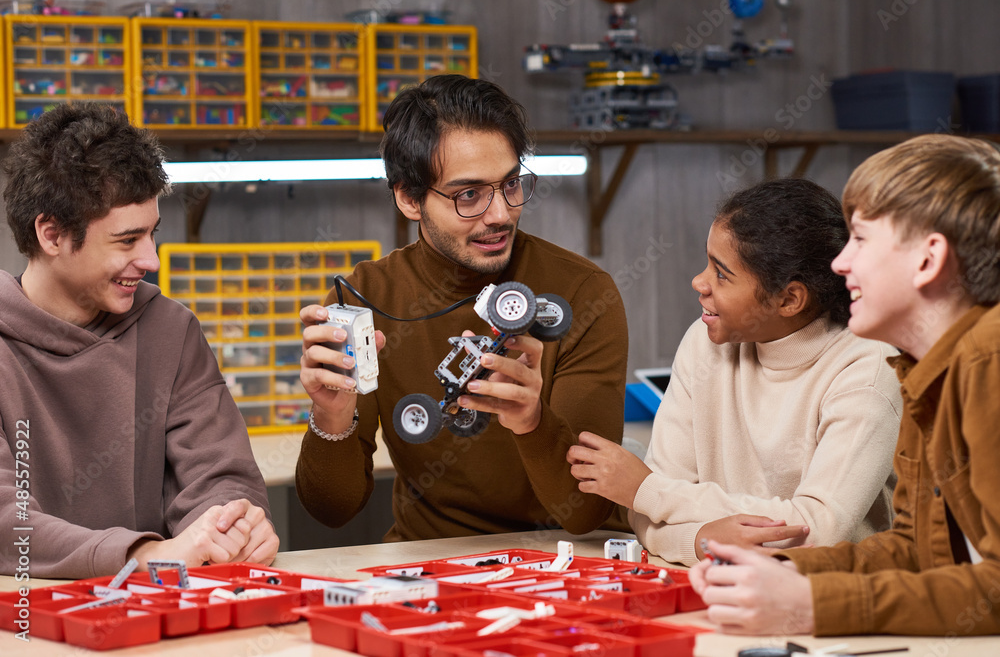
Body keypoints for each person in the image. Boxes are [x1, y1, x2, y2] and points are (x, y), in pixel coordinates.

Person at [690, 134, 1000, 637]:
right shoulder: (924, 366)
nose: (840, 264)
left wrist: (815, 605)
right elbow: (917, 551)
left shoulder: (989, 362)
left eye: (862, 240)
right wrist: (783, 572)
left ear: (928, 260)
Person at [296, 75, 628, 540]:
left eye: (511, 184)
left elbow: (584, 513)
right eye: (468, 194)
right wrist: (331, 417)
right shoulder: (363, 299)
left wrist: (532, 423)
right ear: (409, 198)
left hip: (566, 558)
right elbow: (333, 510)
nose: (501, 214)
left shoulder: (582, 294)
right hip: (427, 557)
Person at [0, 103, 277, 579]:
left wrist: (232, 526)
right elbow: (7, 524)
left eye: (153, 234)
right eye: (128, 240)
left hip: (156, 606)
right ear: (52, 235)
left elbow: (220, 477)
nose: (152, 260)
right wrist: (143, 555)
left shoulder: (171, 330)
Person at [567, 178, 902, 566]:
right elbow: (645, 516)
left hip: (836, 593)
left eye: (722, 274)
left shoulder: (868, 370)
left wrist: (648, 491)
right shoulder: (704, 342)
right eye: (707, 263)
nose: (699, 282)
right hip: (723, 584)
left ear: (789, 299)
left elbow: (814, 532)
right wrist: (701, 541)